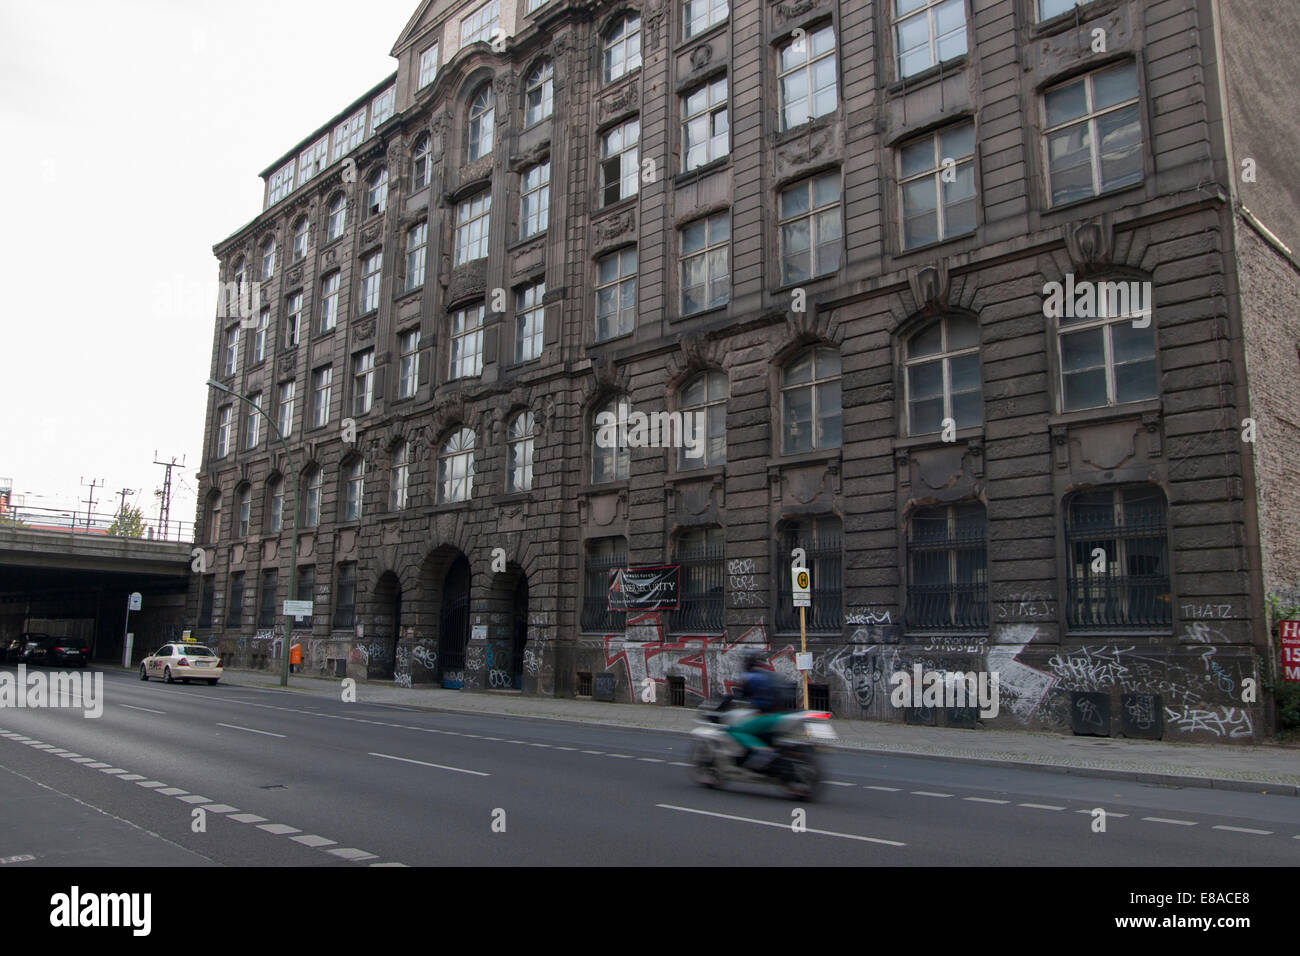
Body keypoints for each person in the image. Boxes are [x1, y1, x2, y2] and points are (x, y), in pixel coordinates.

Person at [728, 651, 785, 772]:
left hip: (766, 716)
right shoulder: (771, 675)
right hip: (780, 715)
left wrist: (727, 701)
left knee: (737, 731)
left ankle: (763, 752)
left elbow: (740, 695)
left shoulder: (750, 676)